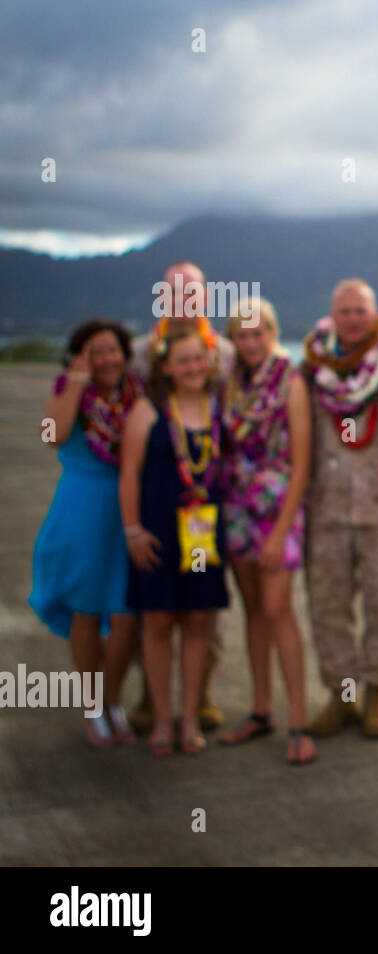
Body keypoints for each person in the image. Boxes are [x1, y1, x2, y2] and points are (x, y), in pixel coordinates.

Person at [127, 260, 232, 734]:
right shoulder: (139, 353)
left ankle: (200, 695)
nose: (184, 302)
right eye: (174, 293)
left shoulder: (226, 354)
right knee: (154, 613)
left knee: (201, 615)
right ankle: (154, 699)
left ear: (205, 299)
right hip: (156, 492)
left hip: (206, 506)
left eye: (192, 293)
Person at [302, 279, 378, 739]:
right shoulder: (312, 369)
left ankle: (376, 694)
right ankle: (341, 697)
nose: (352, 318)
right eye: (344, 311)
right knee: (328, 607)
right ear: (332, 314)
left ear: (375, 312)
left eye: (360, 310)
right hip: (325, 505)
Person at [29, 318, 142, 747]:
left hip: (129, 508)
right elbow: (52, 435)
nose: (107, 359)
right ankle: (93, 707)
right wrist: (76, 380)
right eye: (96, 351)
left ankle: (113, 700)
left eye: (113, 350)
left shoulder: (137, 394)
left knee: (128, 615)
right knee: (86, 610)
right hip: (82, 510)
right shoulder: (67, 389)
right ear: (80, 357)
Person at [218, 298, 316, 765]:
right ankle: (261, 709)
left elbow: (301, 464)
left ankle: (298, 718)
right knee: (253, 609)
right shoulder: (230, 384)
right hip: (236, 506)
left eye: (259, 333)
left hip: (277, 508)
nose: (252, 342)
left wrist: (280, 531)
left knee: (278, 609)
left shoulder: (290, 383)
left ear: (273, 334)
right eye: (243, 334)